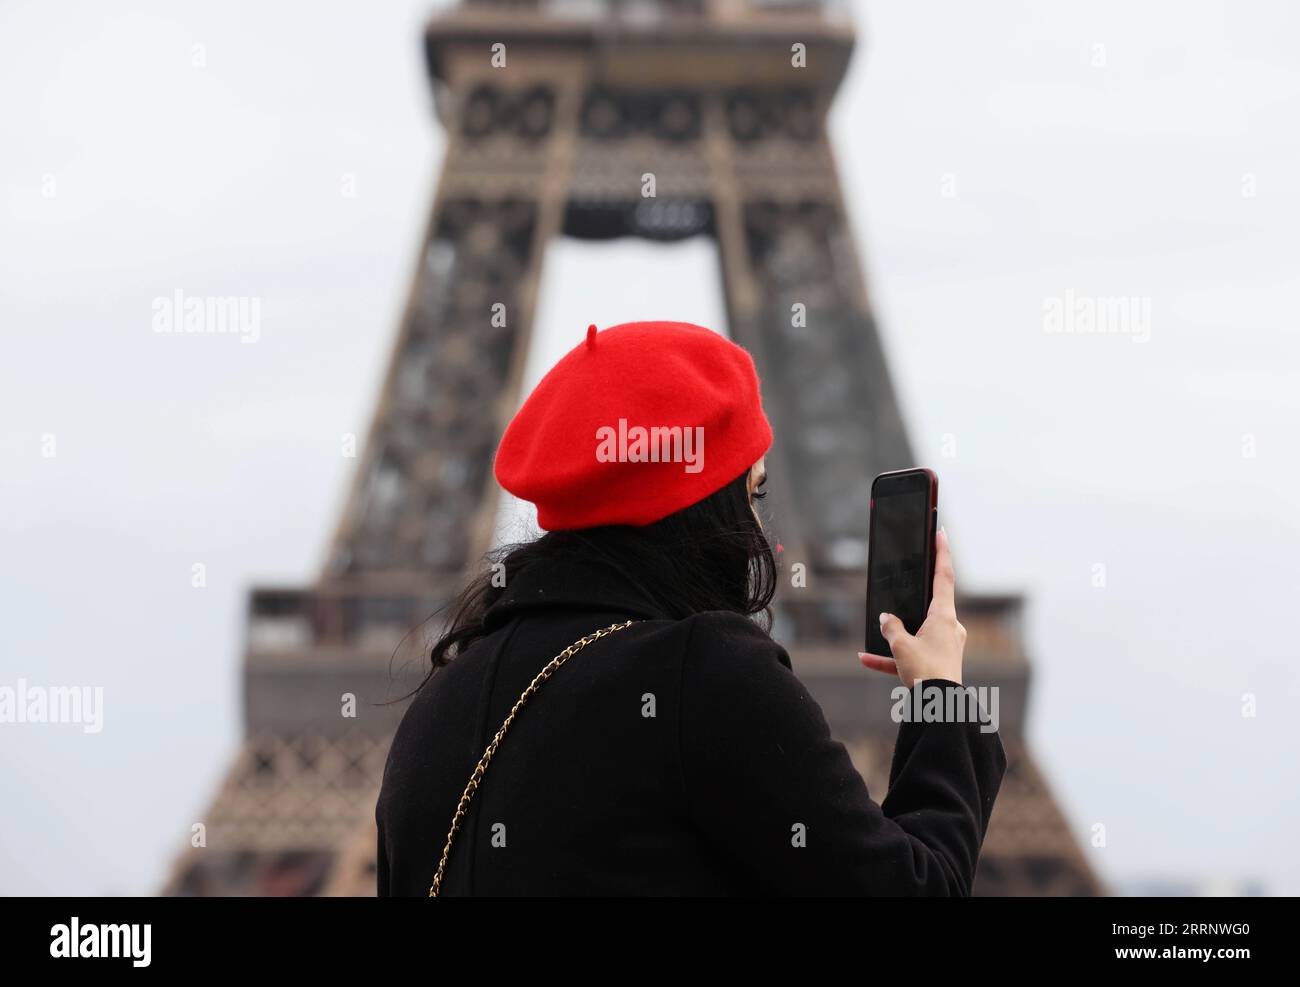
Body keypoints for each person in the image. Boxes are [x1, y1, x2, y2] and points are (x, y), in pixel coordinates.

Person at [375, 319, 1006, 896]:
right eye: (751, 491)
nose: (760, 528)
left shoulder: (438, 706)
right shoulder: (703, 674)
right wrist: (939, 696)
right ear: (707, 506)